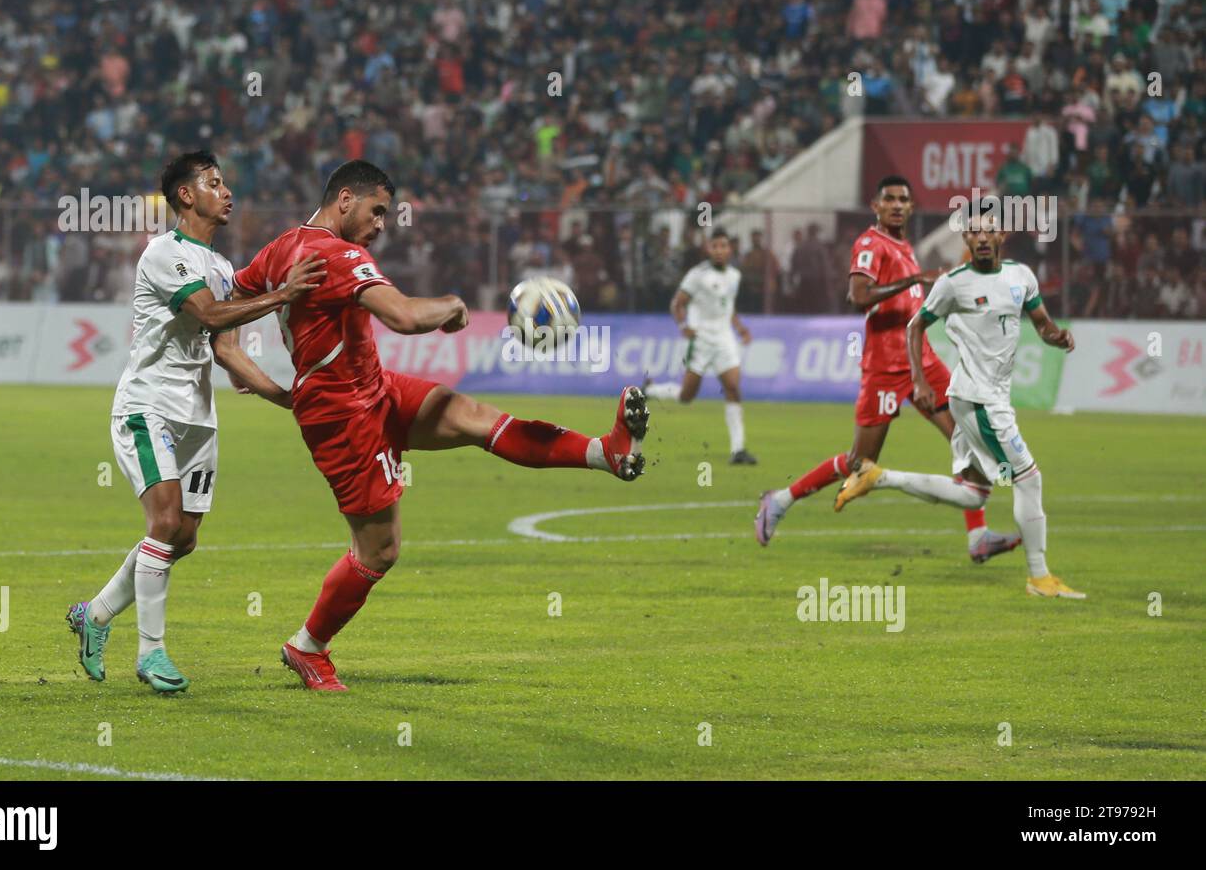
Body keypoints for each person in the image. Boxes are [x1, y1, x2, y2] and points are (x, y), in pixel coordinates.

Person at [232, 160, 650, 692]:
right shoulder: (338, 255)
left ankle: (605, 452)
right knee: (379, 550)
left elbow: (226, 313)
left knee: (475, 418)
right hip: (343, 417)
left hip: (373, 386)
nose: (382, 223)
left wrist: (255, 377)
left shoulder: (280, 247)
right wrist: (453, 306)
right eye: (377, 210)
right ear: (344, 199)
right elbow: (403, 317)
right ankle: (307, 647)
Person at [66, 150, 326, 693]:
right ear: (186, 195)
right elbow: (206, 314)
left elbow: (225, 350)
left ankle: (94, 615)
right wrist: (283, 293)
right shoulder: (165, 253)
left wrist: (287, 398)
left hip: (197, 418)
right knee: (163, 522)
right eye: (215, 182)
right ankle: (152, 653)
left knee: (182, 537)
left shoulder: (222, 267)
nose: (227, 190)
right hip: (148, 406)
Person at [756, 176, 1019, 562]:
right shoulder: (870, 244)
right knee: (860, 462)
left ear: (912, 208)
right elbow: (858, 296)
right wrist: (913, 279)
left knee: (970, 440)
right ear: (876, 206)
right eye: (890, 199)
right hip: (885, 367)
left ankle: (978, 536)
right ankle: (780, 500)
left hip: (922, 361)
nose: (897, 205)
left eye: (904, 200)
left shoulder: (904, 245)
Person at [834, 208, 1085, 600]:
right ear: (966, 241)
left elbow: (1041, 324)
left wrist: (1058, 337)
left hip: (988, 398)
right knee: (1028, 478)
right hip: (978, 400)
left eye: (988, 231)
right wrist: (918, 379)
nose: (981, 238)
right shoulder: (953, 284)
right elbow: (915, 325)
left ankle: (879, 477)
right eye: (973, 233)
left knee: (973, 493)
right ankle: (1039, 577)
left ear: (1001, 235)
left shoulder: (1021, 276)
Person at [643, 229, 757, 465]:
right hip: (701, 339)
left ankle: (738, 450)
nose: (719, 250)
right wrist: (683, 325)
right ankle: (651, 391)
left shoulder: (735, 275)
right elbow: (678, 303)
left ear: (730, 249)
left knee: (733, 388)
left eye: (723, 246)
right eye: (714, 246)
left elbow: (727, 307)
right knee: (687, 396)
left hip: (724, 338)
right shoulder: (697, 275)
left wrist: (740, 328)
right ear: (708, 249)